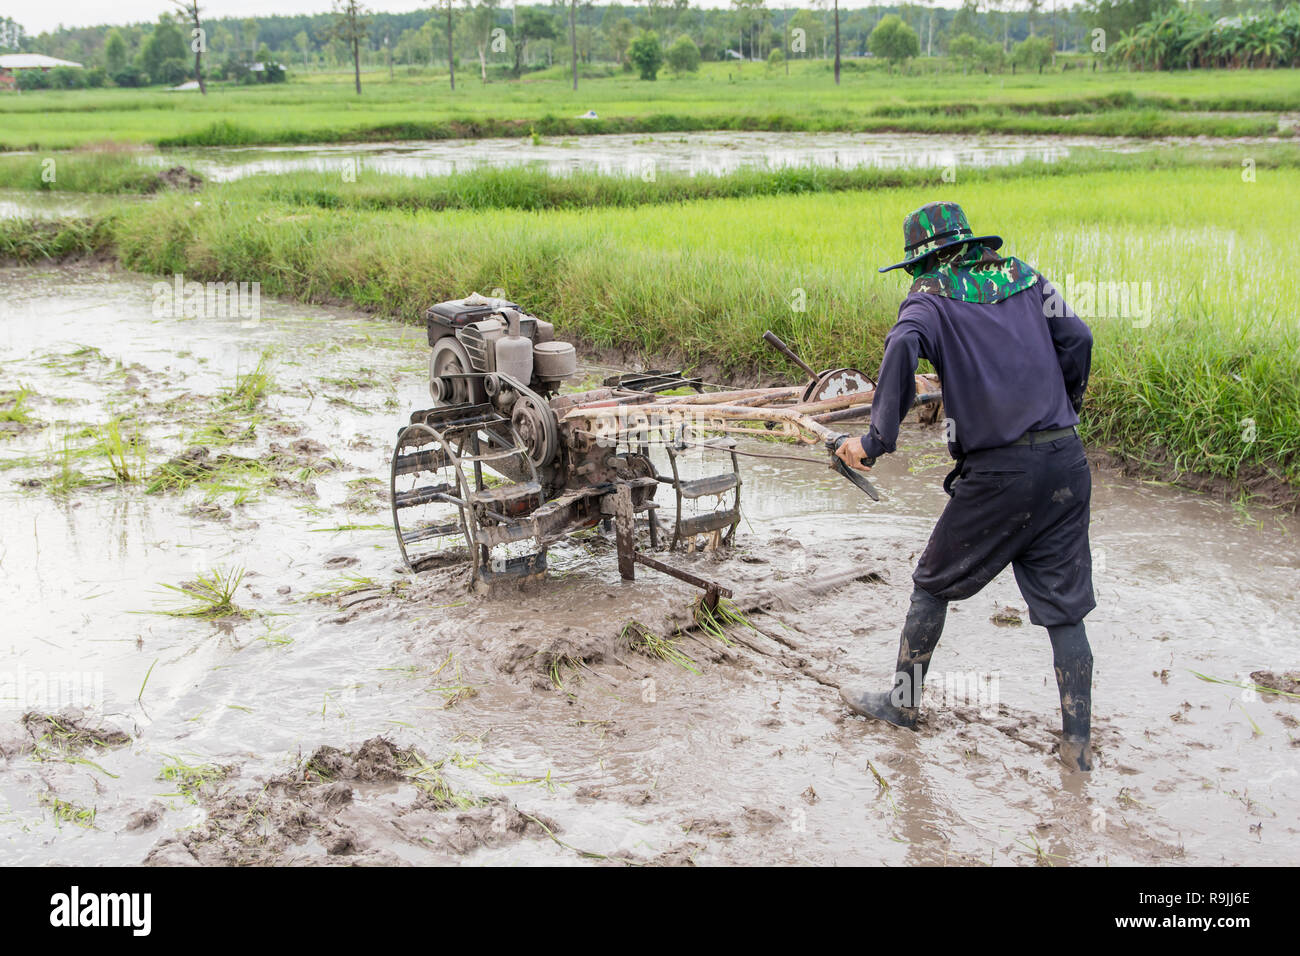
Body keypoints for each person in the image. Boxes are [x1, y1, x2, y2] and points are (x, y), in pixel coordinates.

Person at [834, 200, 1097, 773]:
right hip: (1066, 462)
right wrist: (1064, 408)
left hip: (1003, 474)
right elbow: (1078, 338)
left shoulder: (928, 298)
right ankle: (1077, 746)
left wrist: (873, 442)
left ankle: (901, 707)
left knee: (931, 582)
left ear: (924, 260)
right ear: (971, 244)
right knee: (1064, 610)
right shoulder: (1023, 276)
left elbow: (902, 347)